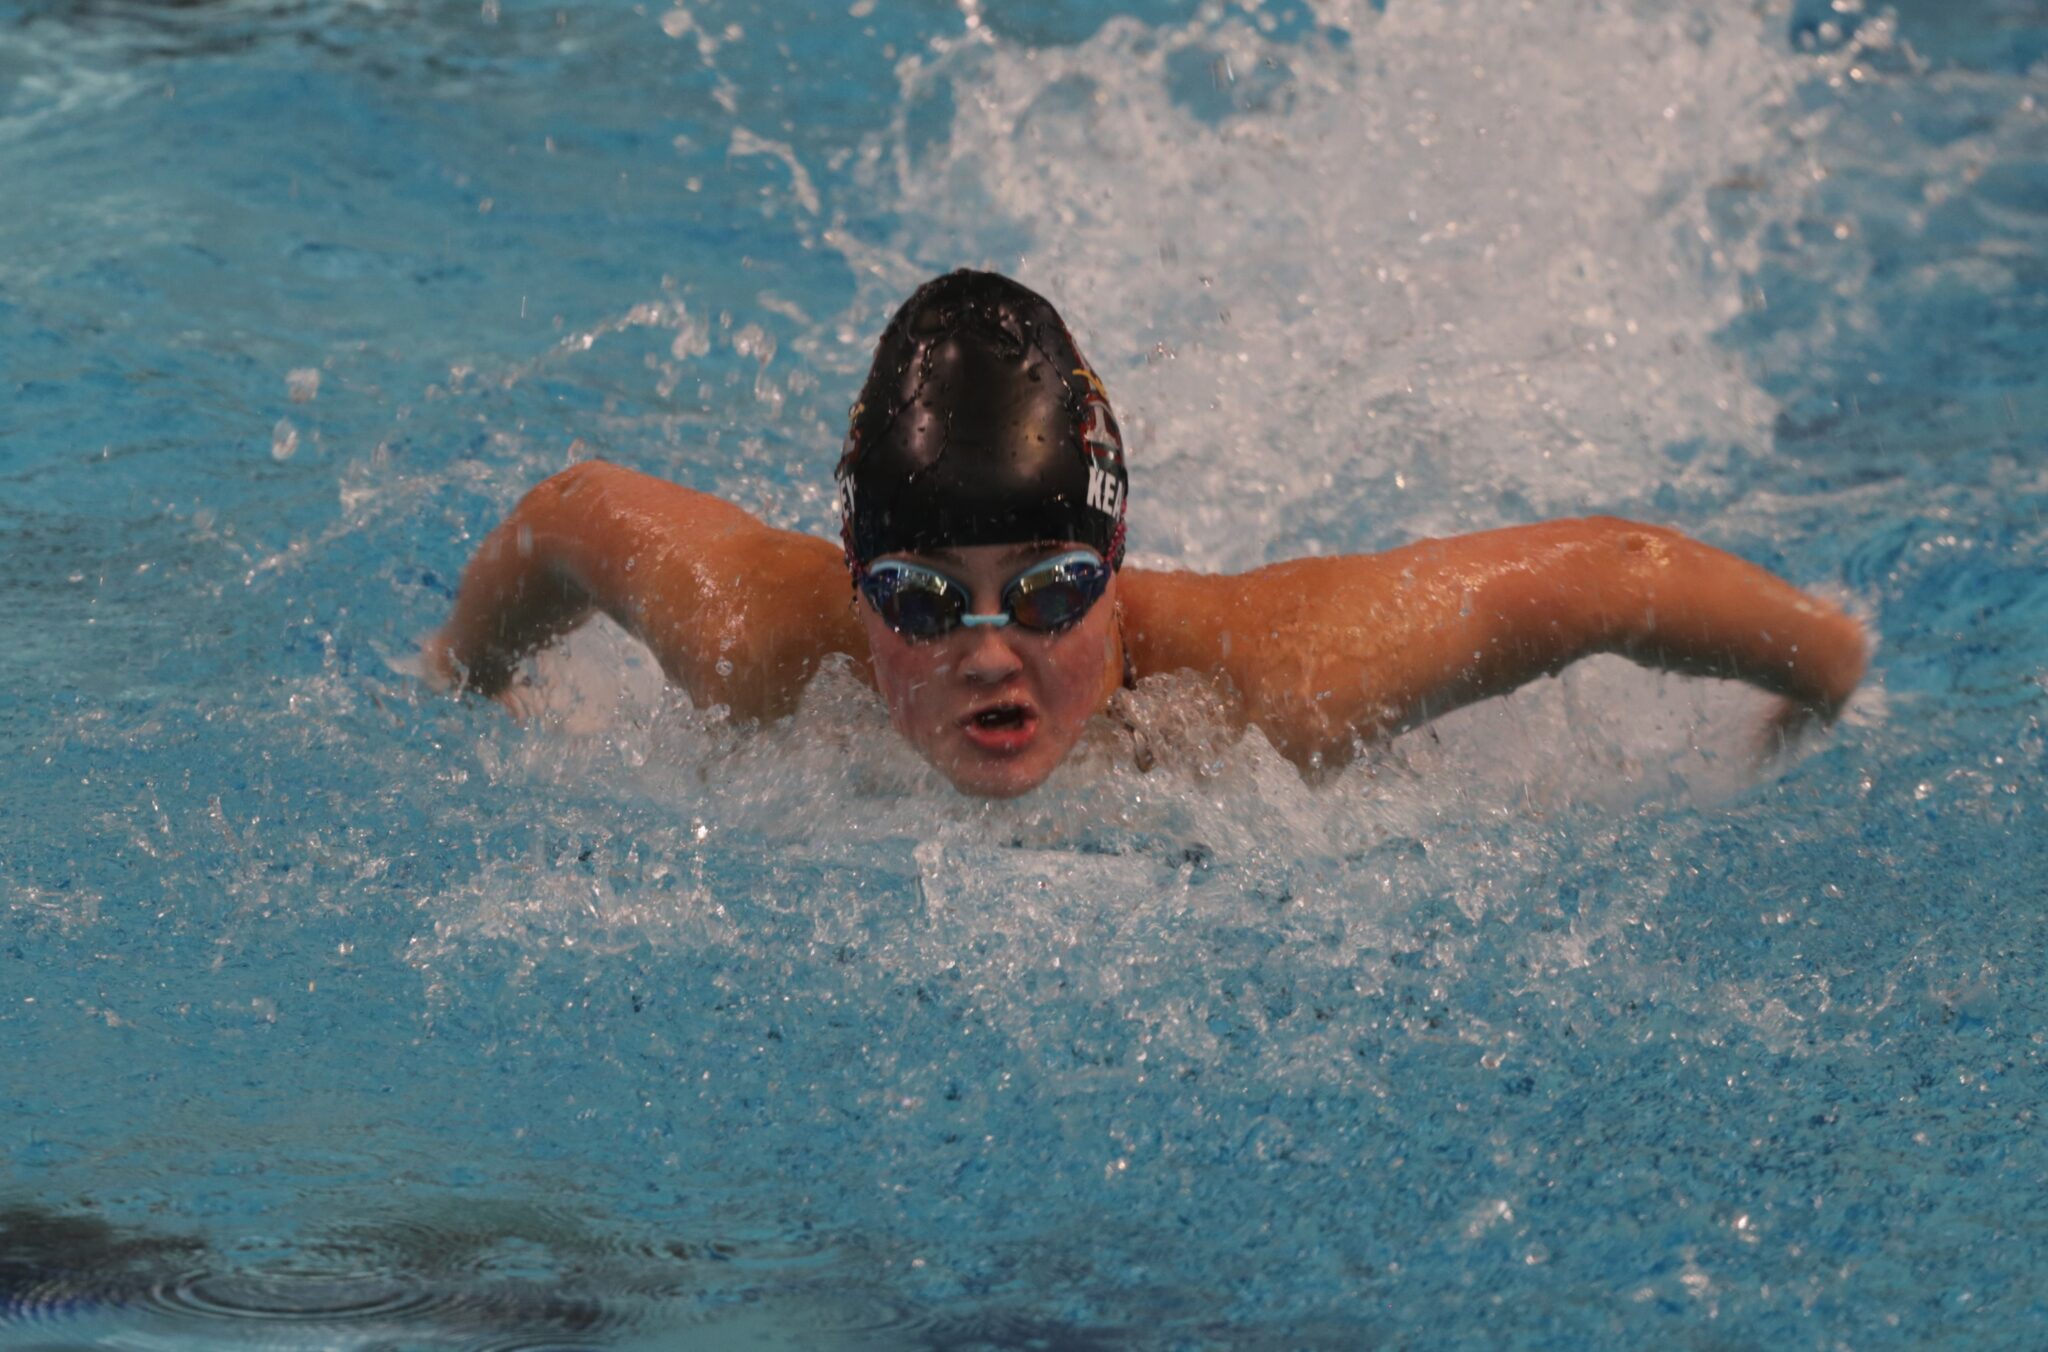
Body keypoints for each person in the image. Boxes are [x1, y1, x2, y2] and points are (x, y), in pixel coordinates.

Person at [426, 270, 1867, 798]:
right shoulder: (756, 643)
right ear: (855, 587)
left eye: (1049, 591)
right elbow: (568, 518)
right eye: (926, 602)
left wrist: (1822, 676)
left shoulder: (1267, 692)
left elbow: (1613, 576)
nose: (992, 655)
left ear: (1114, 570)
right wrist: (463, 676)